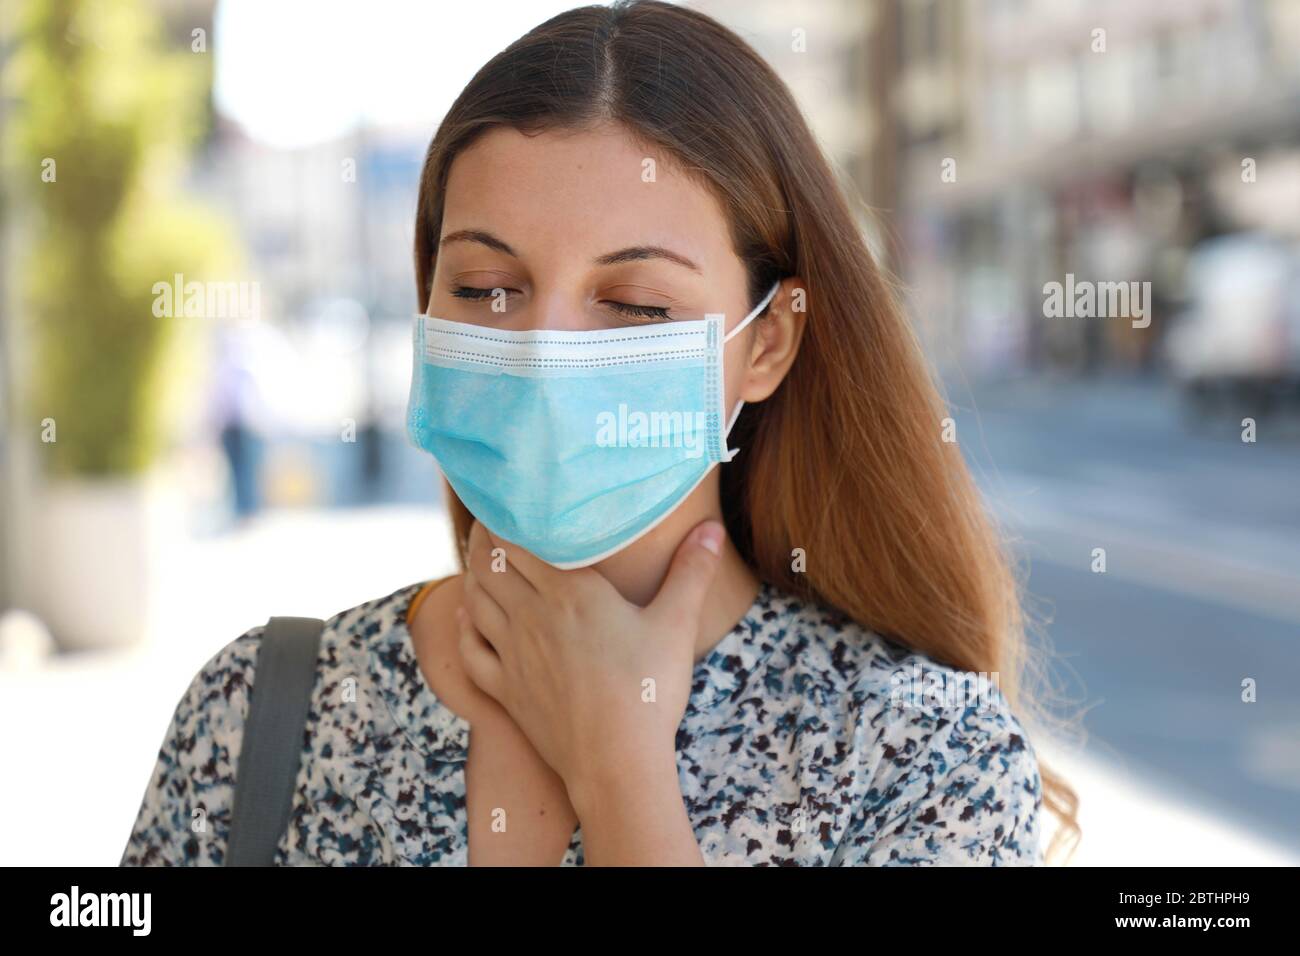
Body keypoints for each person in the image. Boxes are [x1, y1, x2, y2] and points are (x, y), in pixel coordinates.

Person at [120, 0, 1078, 866]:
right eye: (486, 289)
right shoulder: (259, 716)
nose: (543, 352)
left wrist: (621, 778)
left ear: (767, 342)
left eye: (632, 302)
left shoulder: (919, 757)